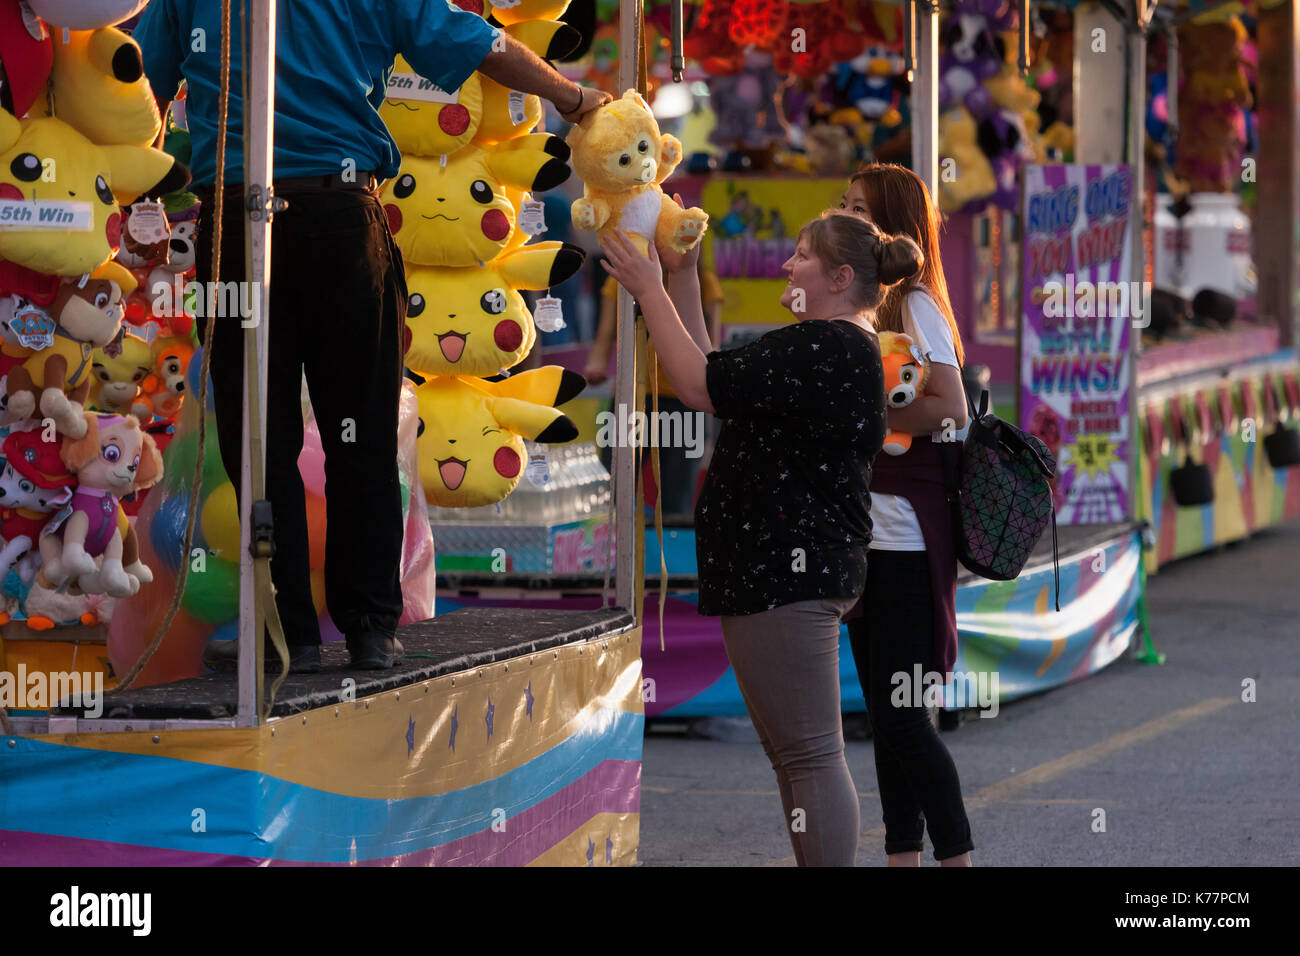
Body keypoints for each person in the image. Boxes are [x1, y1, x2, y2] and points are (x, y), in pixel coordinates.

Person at [134, 0, 612, 672]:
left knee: (259, 441)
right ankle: (368, 629)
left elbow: (140, 91)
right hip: (339, 216)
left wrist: (138, 196)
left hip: (234, 224)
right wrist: (574, 94)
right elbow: (482, 44)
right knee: (358, 429)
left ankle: (285, 632)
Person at [601, 207, 923, 866]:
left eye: (801, 255)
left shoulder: (825, 344)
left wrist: (649, 287)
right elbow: (709, 376)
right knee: (797, 757)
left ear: (838, 276)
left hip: (787, 574)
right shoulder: (825, 342)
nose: (786, 264)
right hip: (781, 571)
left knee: (808, 755)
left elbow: (696, 383)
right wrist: (684, 276)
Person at [839, 163, 975, 866]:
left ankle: (956, 857)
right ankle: (903, 856)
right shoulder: (870, 305)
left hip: (905, 536)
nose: (850, 218)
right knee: (889, 720)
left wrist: (869, 421)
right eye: (845, 206)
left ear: (894, 221)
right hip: (870, 533)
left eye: (861, 208)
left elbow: (949, 406)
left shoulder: (915, 303)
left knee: (900, 717)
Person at [585, 197, 725, 514]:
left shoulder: (705, 282)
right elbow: (607, 332)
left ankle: (669, 563)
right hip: (632, 397)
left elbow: (710, 345)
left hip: (685, 399)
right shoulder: (621, 276)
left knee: (675, 498)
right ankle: (613, 553)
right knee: (612, 489)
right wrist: (596, 362)